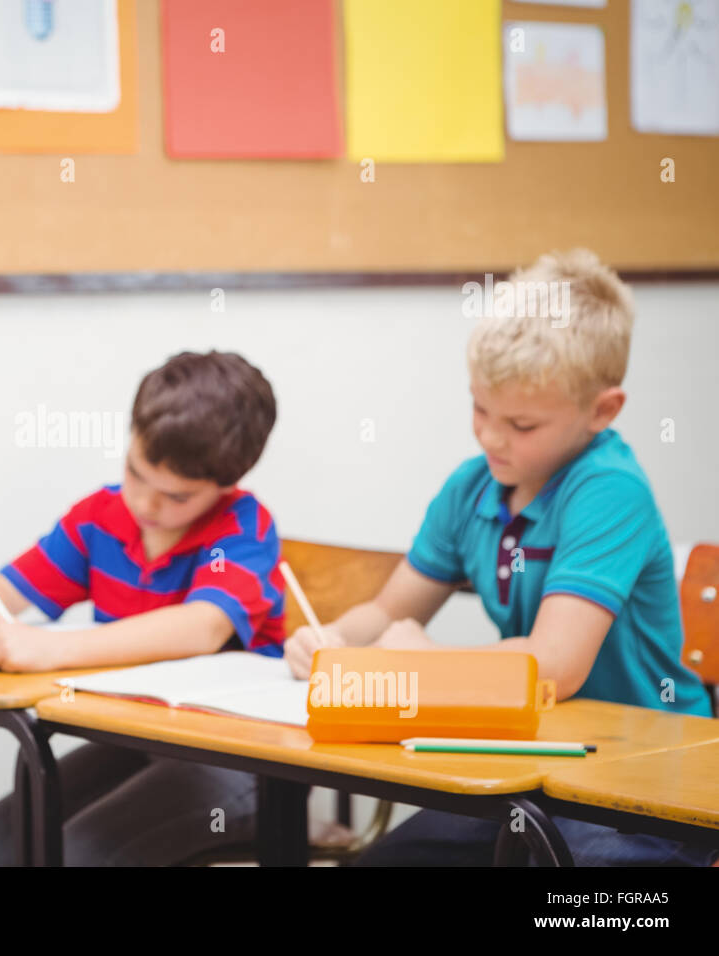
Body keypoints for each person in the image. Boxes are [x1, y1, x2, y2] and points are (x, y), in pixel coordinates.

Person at [285, 248, 716, 866]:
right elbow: (387, 612)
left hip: (644, 782)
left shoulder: (609, 490)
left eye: (520, 423)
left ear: (603, 410)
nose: (490, 436)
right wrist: (333, 641)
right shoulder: (473, 486)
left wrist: (424, 665)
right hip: (537, 765)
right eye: (480, 408)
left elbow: (555, 665)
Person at [0, 350, 286, 866]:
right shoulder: (100, 518)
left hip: (240, 761)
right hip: (132, 741)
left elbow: (200, 627)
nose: (146, 505)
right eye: (135, 472)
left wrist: (50, 648)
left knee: (84, 853)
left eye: (176, 497)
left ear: (227, 484)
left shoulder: (242, 529)